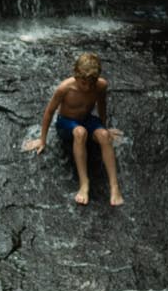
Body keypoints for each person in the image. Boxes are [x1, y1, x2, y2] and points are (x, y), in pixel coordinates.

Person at [24, 51, 124, 206]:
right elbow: (49, 111)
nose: (88, 87)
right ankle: (84, 184)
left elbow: (102, 105)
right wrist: (42, 140)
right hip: (66, 124)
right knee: (80, 132)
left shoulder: (101, 85)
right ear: (76, 76)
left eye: (92, 83)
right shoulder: (65, 88)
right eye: (84, 83)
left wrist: (105, 127)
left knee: (104, 136)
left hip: (87, 120)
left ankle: (114, 186)